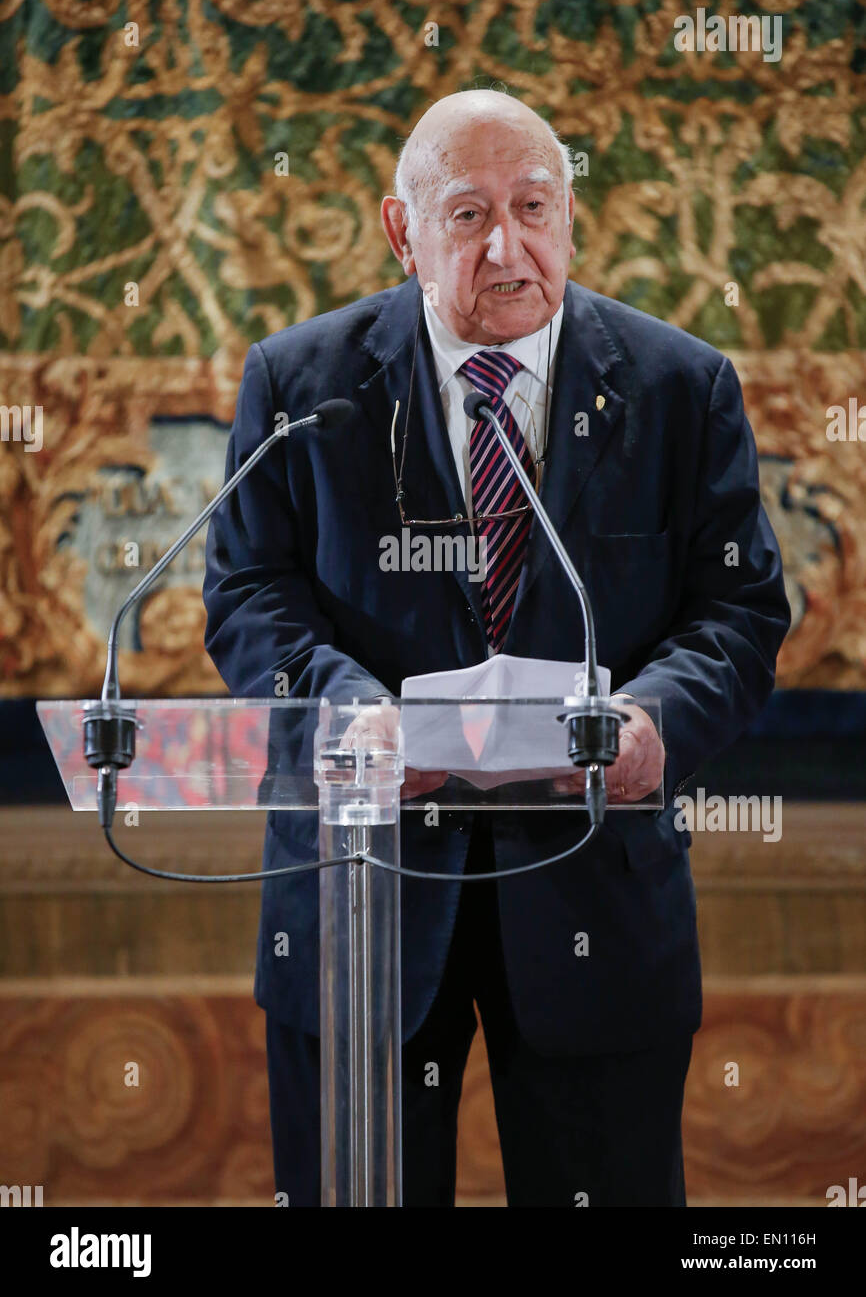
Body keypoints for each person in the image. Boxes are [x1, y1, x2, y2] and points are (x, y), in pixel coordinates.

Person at [203, 89, 790, 1207]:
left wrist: (651, 719)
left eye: (534, 207)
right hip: (362, 898)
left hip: (593, 894)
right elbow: (246, 593)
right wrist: (347, 714)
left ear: (570, 215)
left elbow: (736, 613)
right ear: (401, 230)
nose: (508, 245)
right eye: (468, 215)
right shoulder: (300, 384)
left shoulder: (678, 387)